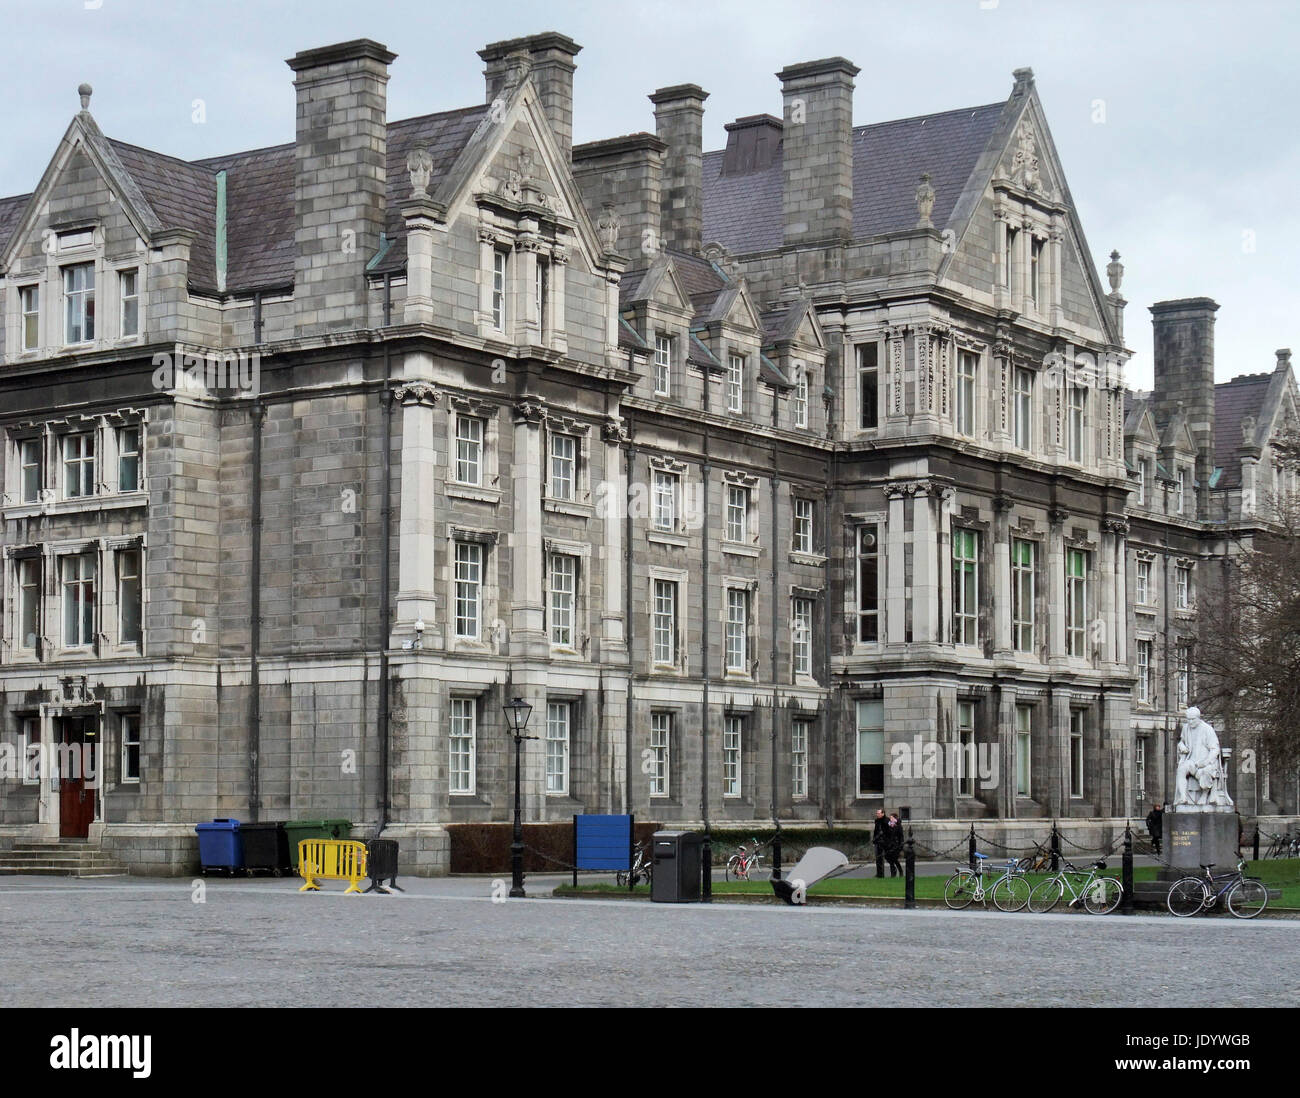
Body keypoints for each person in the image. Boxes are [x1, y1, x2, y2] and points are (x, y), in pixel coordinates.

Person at [884, 812, 905, 877]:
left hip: (896, 845)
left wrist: (901, 845)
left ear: (895, 818)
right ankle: (894, 871)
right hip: (889, 845)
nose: (890, 819)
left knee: (894, 859)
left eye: (891, 817)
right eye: (890, 818)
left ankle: (899, 871)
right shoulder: (888, 825)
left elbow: (901, 836)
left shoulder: (898, 826)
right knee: (889, 858)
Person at [872, 808, 887, 878]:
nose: (877, 814)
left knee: (881, 858)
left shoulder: (886, 821)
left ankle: (881, 874)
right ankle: (878, 873)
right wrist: (874, 839)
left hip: (883, 841)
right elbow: (875, 831)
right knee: (878, 859)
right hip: (877, 841)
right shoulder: (877, 821)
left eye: (878, 813)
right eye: (877, 813)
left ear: (882, 813)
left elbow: (887, 831)